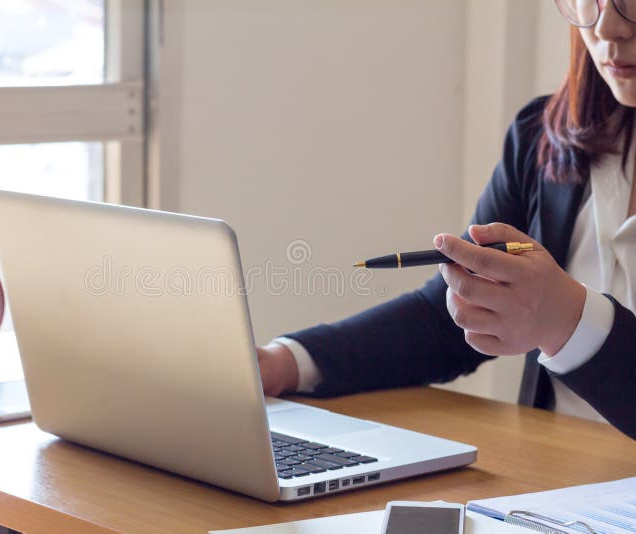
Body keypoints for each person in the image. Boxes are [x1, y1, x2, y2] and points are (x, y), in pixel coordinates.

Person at [257, 0, 636, 440]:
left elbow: (549, 316)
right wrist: (285, 363)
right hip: (553, 492)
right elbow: (451, 317)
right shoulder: (542, 137)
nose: (608, 28)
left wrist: (569, 320)